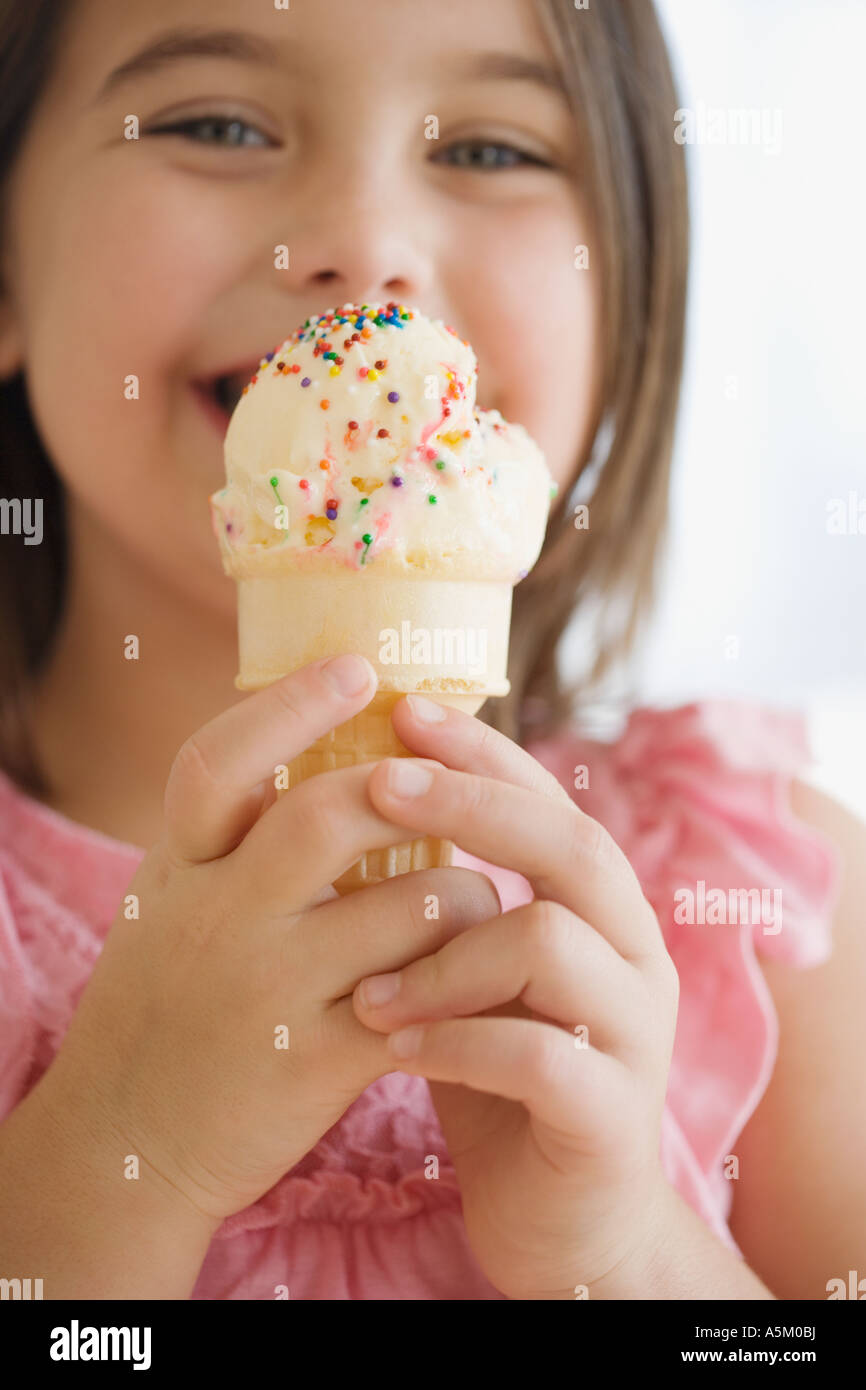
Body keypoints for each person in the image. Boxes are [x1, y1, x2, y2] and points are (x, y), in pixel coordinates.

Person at [0, 0, 862, 1301]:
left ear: (627, 289)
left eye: (489, 149)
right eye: (217, 122)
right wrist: (123, 1150)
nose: (364, 243)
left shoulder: (763, 906)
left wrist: (621, 1249)